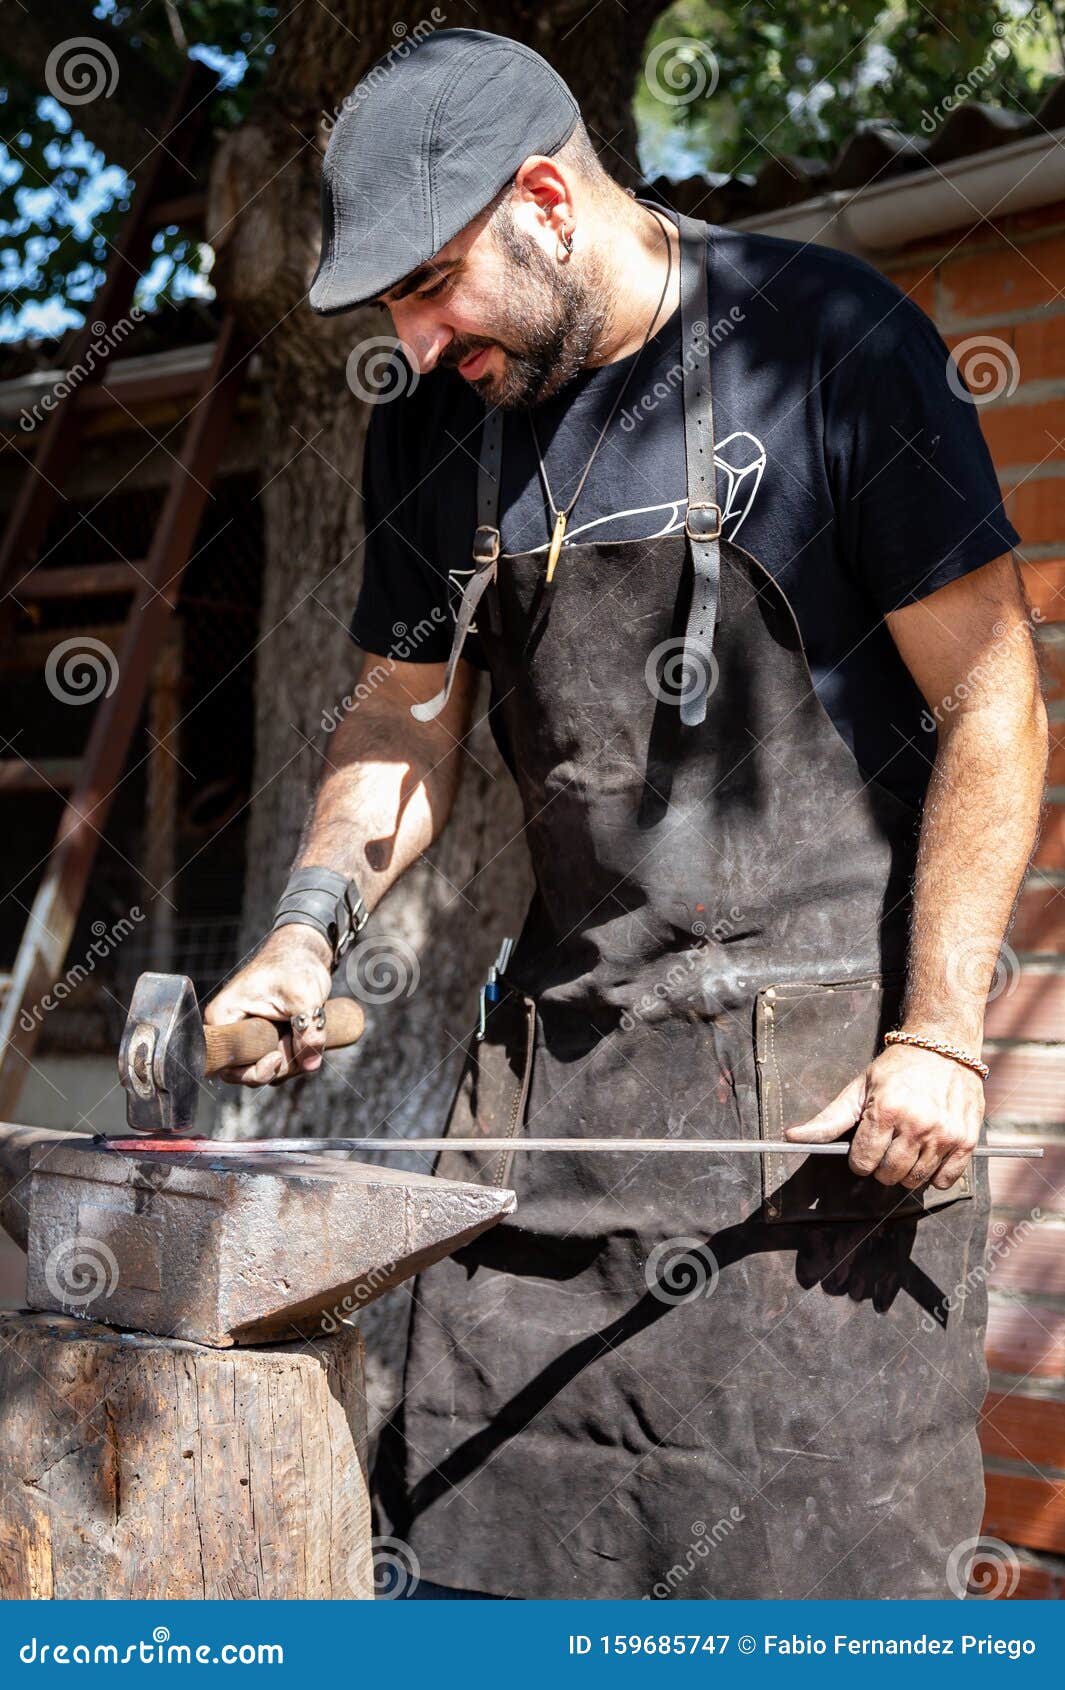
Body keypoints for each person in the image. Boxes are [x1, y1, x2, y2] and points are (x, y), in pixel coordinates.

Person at [206, 28, 1048, 1599]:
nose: (416, 330)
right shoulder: (433, 427)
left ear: (545, 197)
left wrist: (939, 1033)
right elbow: (403, 710)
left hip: (822, 1156)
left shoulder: (829, 345)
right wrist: (303, 934)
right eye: (392, 298)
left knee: (812, 1597)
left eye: (432, 282)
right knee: (469, 1580)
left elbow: (993, 698)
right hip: (558, 1123)